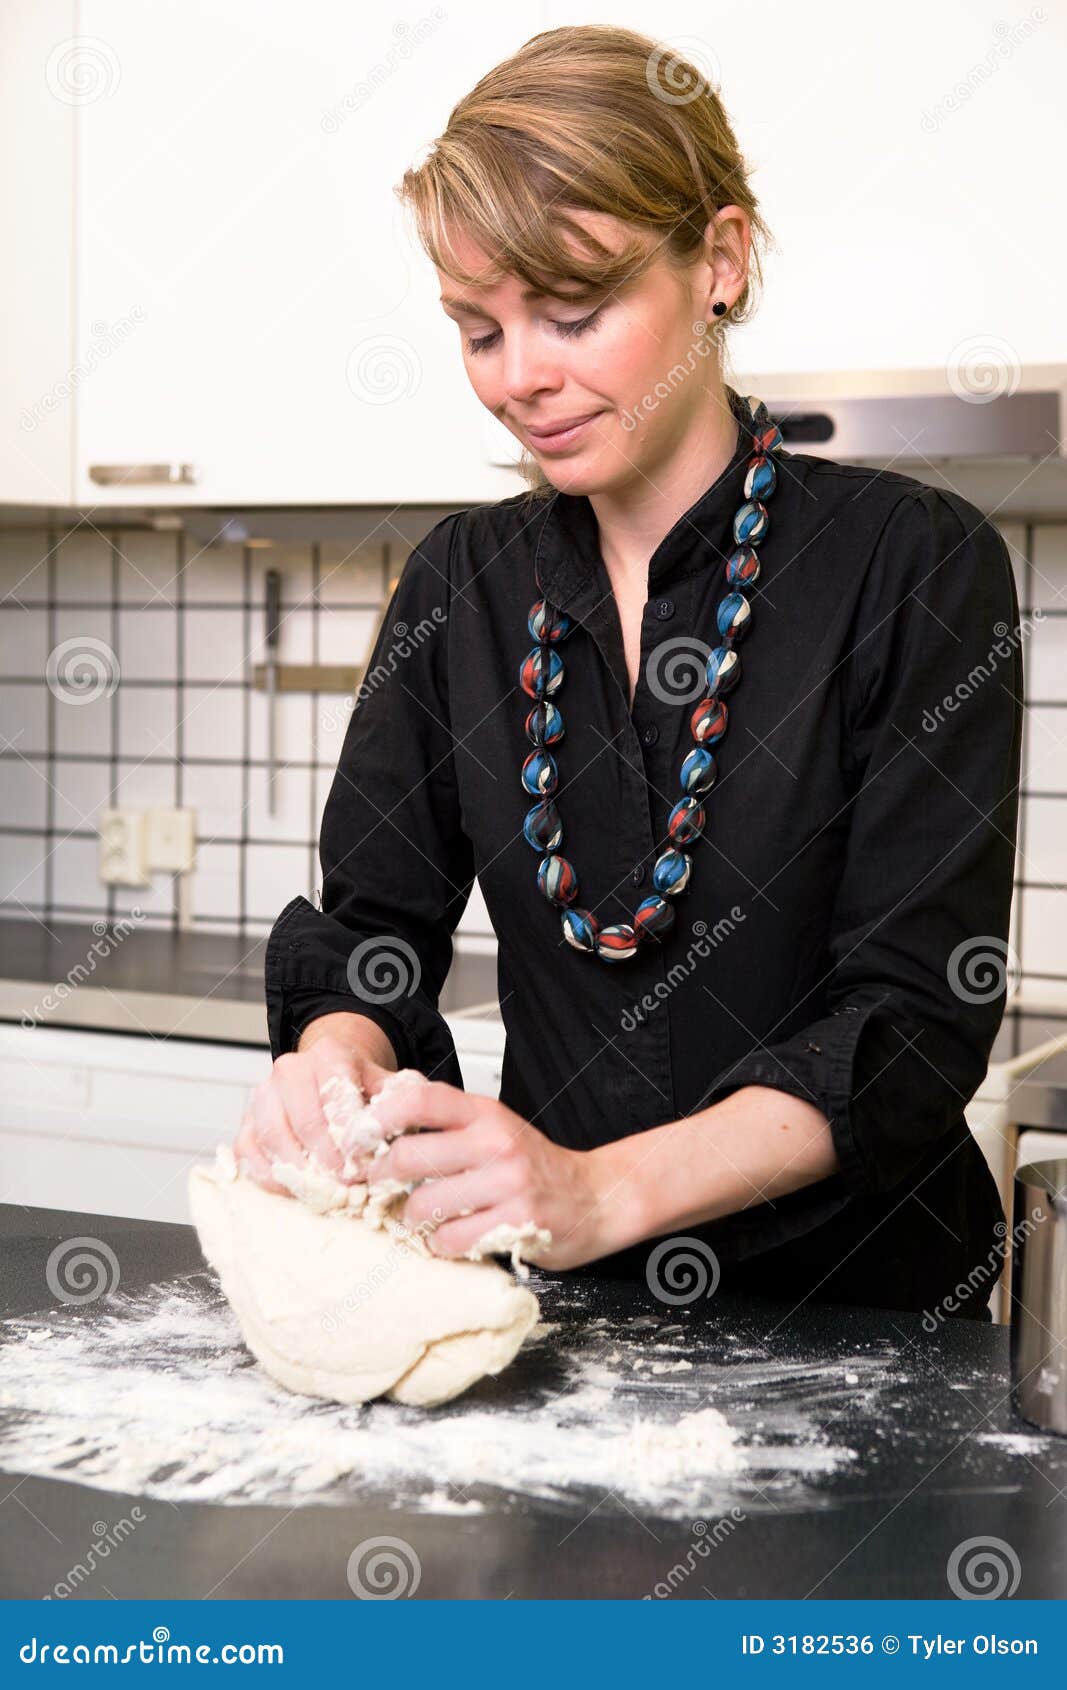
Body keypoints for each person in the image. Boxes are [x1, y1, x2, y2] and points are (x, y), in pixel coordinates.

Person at [236, 25, 1021, 1320]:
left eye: (573, 312)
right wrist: (333, 1064)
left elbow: (910, 1026)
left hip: (864, 1322)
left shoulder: (913, 566)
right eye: (479, 330)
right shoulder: (460, 585)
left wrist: (596, 1191)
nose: (520, 378)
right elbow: (374, 932)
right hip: (562, 1317)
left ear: (720, 260)